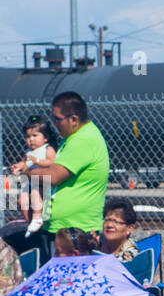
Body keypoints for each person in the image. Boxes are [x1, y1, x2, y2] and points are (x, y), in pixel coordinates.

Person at [8, 94, 109, 265]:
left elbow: (53, 176)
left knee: (68, 283)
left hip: (75, 232)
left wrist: (26, 172)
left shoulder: (83, 140)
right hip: (62, 228)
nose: (54, 123)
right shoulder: (72, 138)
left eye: (57, 119)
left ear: (74, 119)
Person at [13, 116, 56, 235]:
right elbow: (24, 163)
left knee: (35, 193)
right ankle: (30, 221)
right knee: (22, 200)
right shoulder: (28, 152)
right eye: (28, 136)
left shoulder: (47, 149)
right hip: (30, 181)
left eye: (35, 136)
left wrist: (37, 161)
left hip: (43, 181)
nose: (31, 139)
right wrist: (18, 166)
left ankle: (37, 218)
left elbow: (51, 162)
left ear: (45, 137)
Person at [99, 197, 140, 262]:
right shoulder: (97, 242)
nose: (109, 225)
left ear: (129, 228)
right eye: (107, 220)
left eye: (116, 221)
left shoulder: (130, 256)